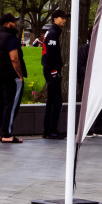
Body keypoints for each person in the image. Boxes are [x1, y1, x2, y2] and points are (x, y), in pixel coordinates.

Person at [0, 13, 27, 143]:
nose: (15, 24)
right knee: (10, 106)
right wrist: (20, 75)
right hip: (11, 76)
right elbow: (14, 59)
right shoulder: (11, 39)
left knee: (0, 104)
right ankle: (7, 134)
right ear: (7, 24)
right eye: (13, 22)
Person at [42, 9, 69, 139]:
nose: (64, 20)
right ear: (55, 19)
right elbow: (50, 55)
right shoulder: (53, 33)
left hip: (50, 70)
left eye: (65, 18)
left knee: (52, 101)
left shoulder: (52, 32)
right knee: (56, 102)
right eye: (61, 18)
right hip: (51, 71)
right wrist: (54, 72)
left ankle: (48, 130)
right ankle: (51, 130)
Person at [78, 40, 102, 138]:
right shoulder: (85, 49)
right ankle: (88, 128)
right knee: (89, 104)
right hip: (88, 80)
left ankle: (97, 128)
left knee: (100, 104)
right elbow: (80, 65)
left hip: (98, 80)